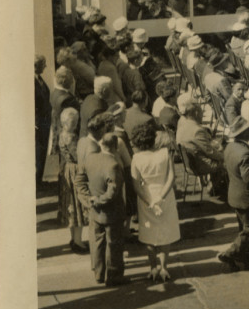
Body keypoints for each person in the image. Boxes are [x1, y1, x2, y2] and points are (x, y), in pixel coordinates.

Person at [129, 120, 180, 283]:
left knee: (149, 232)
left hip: (146, 195)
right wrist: (161, 198)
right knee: (165, 230)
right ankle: (164, 267)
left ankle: (152, 268)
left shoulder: (136, 158)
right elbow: (171, 178)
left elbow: (136, 185)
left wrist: (150, 201)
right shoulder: (165, 153)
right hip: (164, 194)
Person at [218, 118, 249, 271]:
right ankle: (230, 253)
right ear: (245, 133)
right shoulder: (245, 153)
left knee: (247, 228)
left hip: (235, 194)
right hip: (247, 197)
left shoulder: (231, 147)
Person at [80, 131, 127, 286]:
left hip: (95, 211)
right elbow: (113, 192)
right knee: (114, 244)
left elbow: (79, 180)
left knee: (98, 243)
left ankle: (99, 274)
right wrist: (99, 200)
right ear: (115, 147)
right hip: (112, 211)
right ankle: (114, 276)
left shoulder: (90, 159)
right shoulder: (113, 165)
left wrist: (88, 199)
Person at [56, 107, 89, 255]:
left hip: (66, 169)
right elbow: (78, 155)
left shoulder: (61, 135)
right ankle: (78, 241)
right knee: (77, 206)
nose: (75, 124)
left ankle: (73, 238)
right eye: (73, 122)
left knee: (71, 206)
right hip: (74, 170)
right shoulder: (72, 138)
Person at [35, 55, 52, 186]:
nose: (45, 67)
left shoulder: (40, 79)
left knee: (43, 148)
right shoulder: (31, 81)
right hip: (38, 122)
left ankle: (39, 180)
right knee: (39, 150)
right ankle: (36, 181)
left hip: (45, 120)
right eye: (43, 64)